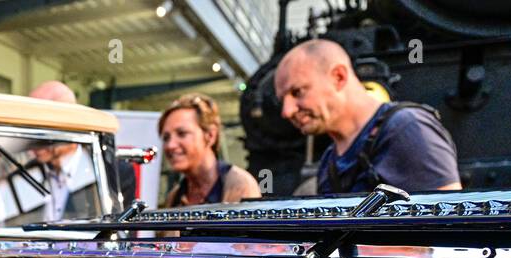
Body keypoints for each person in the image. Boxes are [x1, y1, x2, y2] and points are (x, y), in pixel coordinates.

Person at [275, 38, 461, 195]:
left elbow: (450, 224)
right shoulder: (329, 160)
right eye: (282, 100)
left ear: (339, 77)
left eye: (297, 92)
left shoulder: (407, 128)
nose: (287, 111)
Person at [158, 93, 261, 206]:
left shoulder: (239, 186)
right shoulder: (175, 197)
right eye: (166, 138)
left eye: (182, 134)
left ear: (210, 135)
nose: (170, 145)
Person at [26, 80, 105, 221]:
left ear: (70, 123)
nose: (34, 138)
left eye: (44, 127)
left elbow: (113, 235)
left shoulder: (107, 174)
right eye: (30, 127)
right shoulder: (25, 174)